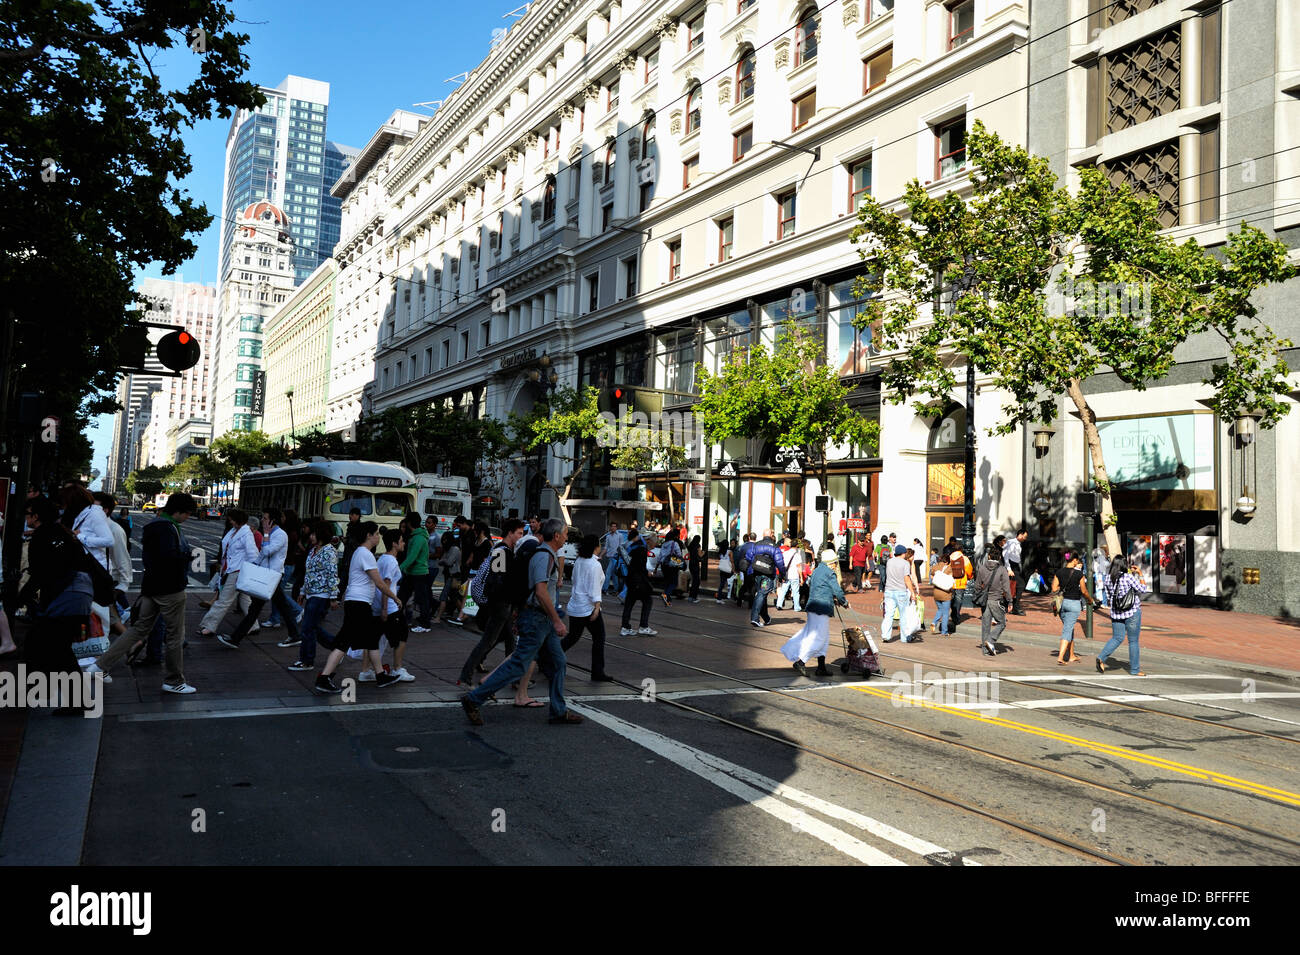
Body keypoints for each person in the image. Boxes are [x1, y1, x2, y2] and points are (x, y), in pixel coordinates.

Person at [460, 518, 583, 726]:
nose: (566, 538)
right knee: (519, 664)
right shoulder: (544, 556)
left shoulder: (545, 554)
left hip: (540, 618)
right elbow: (541, 592)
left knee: (559, 662)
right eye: (564, 534)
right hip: (537, 619)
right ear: (556, 536)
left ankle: (559, 710)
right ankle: (474, 699)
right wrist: (557, 620)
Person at [88, 494, 199, 695]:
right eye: (187, 513)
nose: (188, 518)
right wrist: (186, 555)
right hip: (171, 589)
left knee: (138, 629)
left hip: (151, 587)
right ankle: (174, 680)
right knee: (175, 635)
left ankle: (99, 665)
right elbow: (169, 558)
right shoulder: (169, 528)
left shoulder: (153, 525)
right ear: (179, 511)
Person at [18, 496, 95, 712]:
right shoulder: (61, 532)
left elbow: (41, 574)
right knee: (44, 643)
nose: (26, 519)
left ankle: (75, 701)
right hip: (79, 592)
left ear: (35, 516)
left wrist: (21, 597)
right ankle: (38, 691)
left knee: (54, 647)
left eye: (27, 514)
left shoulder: (43, 537)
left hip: (68, 595)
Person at [314, 522, 402, 692]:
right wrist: (394, 597)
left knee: (370, 640)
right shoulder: (365, 554)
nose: (378, 536)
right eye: (376, 533)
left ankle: (380, 675)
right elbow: (379, 583)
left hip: (358, 603)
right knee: (344, 642)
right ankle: (324, 677)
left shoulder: (360, 553)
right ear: (368, 535)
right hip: (358, 604)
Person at [217, 507, 303, 651]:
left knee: (257, 608)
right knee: (275, 607)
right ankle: (294, 634)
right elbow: (262, 554)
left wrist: (267, 535)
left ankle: (235, 638)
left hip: (272, 575)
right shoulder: (271, 534)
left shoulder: (280, 535)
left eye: (265, 518)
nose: (262, 520)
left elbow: (268, 551)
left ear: (272, 521)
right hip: (267, 573)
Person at [457, 519, 526, 686]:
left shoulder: (504, 550)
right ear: (510, 533)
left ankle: (514, 678)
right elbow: (497, 580)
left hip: (503, 604)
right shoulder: (502, 551)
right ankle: (465, 675)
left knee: (510, 640)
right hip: (500, 604)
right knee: (488, 641)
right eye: (519, 533)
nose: (521, 537)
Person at [781, 549, 849, 677]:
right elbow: (837, 590)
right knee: (820, 638)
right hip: (822, 608)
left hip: (812, 607)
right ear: (830, 562)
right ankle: (801, 661)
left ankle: (821, 667)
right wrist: (844, 602)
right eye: (834, 562)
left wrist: (832, 598)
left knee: (819, 636)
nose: (835, 565)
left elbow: (820, 588)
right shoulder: (830, 573)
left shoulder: (817, 570)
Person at [198, 507, 259, 636]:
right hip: (231, 569)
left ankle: (209, 626)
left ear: (238, 520)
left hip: (237, 571)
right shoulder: (234, 531)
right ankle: (253, 625)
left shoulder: (246, 533)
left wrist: (246, 568)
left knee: (223, 600)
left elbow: (253, 554)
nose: (229, 522)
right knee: (245, 600)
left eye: (231, 519)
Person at [562, 533, 614, 682]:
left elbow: (573, 579)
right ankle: (597, 672)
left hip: (576, 605)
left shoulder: (580, 560)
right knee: (599, 637)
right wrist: (597, 607)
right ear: (595, 547)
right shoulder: (594, 564)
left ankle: (547, 657)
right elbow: (594, 589)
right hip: (588, 607)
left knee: (572, 637)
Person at [365, 528, 414, 682]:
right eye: (401, 540)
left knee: (374, 638)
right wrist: (385, 609)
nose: (404, 543)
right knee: (402, 634)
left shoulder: (382, 559)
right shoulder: (391, 561)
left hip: (378, 605)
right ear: (394, 544)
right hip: (390, 607)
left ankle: (366, 671)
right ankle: (397, 669)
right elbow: (386, 584)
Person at [289, 521, 338, 672]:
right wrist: (303, 592)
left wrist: (333, 597)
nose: (311, 536)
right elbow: (309, 573)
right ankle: (337, 648)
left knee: (307, 627)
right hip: (312, 594)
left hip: (321, 595)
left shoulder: (329, 551)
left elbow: (332, 575)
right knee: (312, 627)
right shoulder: (313, 550)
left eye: (313, 534)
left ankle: (307, 660)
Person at [1098, 557, 1147, 676]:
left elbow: (1109, 598)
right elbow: (1143, 589)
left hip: (1116, 612)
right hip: (1131, 611)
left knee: (1117, 638)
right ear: (1124, 565)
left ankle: (1101, 658)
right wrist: (1140, 574)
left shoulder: (1108, 578)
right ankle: (1135, 670)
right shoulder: (1128, 577)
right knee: (1133, 641)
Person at [93, 492, 132, 638]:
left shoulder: (115, 529)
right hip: (92, 582)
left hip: (106, 582)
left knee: (104, 625)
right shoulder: (90, 526)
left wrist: (122, 586)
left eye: (94, 507)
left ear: (105, 510)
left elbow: (123, 558)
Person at [1051, 551, 1092, 665]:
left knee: (1069, 628)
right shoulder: (1079, 574)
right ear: (1074, 560)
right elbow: (1084, 591)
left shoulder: (1059, 572)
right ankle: (1060, 657)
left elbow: (1054, 588)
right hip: (1074, 604)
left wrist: (1063, 585)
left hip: (1062, 604)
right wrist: (1090, 600)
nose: (1077, 562)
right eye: (1077, 561)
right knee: (1067, 630)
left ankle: (1072, 655)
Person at [398, 512, 432, 632]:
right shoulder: (417, 536)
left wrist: (399, 568)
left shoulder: (418, 538)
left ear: (409, 523)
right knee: (402, 596)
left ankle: (425, 625)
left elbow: (412, 557)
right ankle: (396, 619)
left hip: (418, 573)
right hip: (413, 572)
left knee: (421, 599)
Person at [975, 542, 1011, 657]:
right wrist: (1010, 601)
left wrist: (979, 595)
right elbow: (1006, 588)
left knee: (985, 624)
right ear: (999, 557)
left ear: (989, 556)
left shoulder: (981, 568)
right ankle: (990, 640)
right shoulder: (1002, 569)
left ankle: (985, 650)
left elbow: (976, 586)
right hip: (996, 599)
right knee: (1002, 622)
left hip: (985, 600)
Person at [881, 544, 922, 643]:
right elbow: (907, 579)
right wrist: (912, 592)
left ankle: (886, 636)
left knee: (888, 615)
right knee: (903, 615)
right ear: (903, 553)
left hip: (889, 590)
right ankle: (904, 637)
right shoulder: (905, 563)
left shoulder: (889, 562)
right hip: (901, 591)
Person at [619, 528, 657, 636]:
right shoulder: (642, 549)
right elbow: (639, 567)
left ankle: (625, 627)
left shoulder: (637, 546)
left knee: (629, 603)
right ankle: (643, 626)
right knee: (648, 600)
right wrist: (648, 573)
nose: (654, 546)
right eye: (654, 543)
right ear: (649, 541)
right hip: (638, 581)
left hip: (630, 579)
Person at [746, 530, 785, 628]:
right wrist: (783, 574)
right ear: (771, 535)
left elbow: (748, 556)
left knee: (761, 594)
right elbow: (780, 562)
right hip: (767, 575)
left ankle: (766, 618)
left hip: (757, 574)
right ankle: (755, 618)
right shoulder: (774, 547)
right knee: (761, 594)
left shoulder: (756, 545)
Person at [435, 531, 462, 624]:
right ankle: (463, 614)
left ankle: (438, 618)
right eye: (443, 539)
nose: (444, 541)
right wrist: (443, 560)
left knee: (443, 596)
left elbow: (449, 562)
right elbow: (441, 561)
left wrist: (443, 560)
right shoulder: (447, 549)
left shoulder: (454, 549)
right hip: (449, 575)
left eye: (446, 539)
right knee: (454, 596)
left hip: (453, 576)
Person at [775, 536, 804, 612]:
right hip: (794, 575)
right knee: (795, 592)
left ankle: (779, 604)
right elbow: (799, 567)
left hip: (786, 575)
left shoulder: (785, 553)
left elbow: (782, 564)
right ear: (797, 545)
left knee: (783, 590)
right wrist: (801, 578)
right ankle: (797, 607)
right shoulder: (797, 555)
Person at [1004, 528, 1028, 615]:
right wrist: (1009, 569)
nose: (1025, 538)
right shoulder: (1011, 543)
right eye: (1024, 536)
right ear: (1020, 535)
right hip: (1011, 566)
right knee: (1020, 585)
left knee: (1014, 586)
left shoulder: (1018, 544)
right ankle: (1015, 607)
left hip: (1016, 566)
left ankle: (1012, 606)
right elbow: (1006, 556)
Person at [929, 555, 954, 636]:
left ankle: (934, 622)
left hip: (936, 592)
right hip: (945, 593)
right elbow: (950, 579)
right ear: (947, 561)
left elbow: (932, 576)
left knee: (940, 609)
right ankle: (944, 631)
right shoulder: (948, 568)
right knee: (946, 613)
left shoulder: (935, 567)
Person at [658, 526, 683, 606]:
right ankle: (666, 594)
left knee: (667, 582)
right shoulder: (674, 543)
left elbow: (660, 556)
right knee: (674, 583)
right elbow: (679, 554)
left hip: (663, 565)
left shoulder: (663, 544)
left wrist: (656, 567)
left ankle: (667, 600)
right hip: (671, 565)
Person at [947, 542, 969, 628]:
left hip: (951, 582)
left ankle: (953, 613)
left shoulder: (950, 558)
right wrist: (969, 577)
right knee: (959, 600)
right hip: (961, 582)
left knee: (952, 599)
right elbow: (969, 570)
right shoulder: (964, 558)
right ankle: (956, 616)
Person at [601, 522, 623, 594]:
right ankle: (616, 589)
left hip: (616, 558)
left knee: (608, 573)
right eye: (612, 526)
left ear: (616, 527)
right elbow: (606, 547)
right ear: (610, 527)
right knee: (614, 575)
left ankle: (605, 589)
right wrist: (601, 555)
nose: (613, 528)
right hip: (610, 557)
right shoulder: (608, 536)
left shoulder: (620, 535)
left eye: (614, 526)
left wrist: (619, 556)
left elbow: (621, 547)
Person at [714, 539, 734, 604]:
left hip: (722, 569)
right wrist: (733, 568)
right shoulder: (729, 552)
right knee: (730, 582)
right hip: (728, 570)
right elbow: (732, 561)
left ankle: (719, 597)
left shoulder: (721, 552)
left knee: (722, 584)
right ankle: (720, 598)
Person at [686, 534, 702, 603]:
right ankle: (694, 597)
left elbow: (689, 555)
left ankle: (690, 596)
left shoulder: (690, 545)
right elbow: (700, 555)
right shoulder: (698, 546)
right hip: (695, 564)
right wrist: (703, 553)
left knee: (694, 581)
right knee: (696, 581)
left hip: (691, 564)